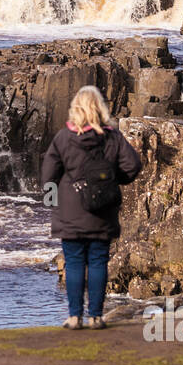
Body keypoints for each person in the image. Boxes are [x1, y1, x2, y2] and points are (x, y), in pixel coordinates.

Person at [41, 86, 143, 330]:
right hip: (103, 209)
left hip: (70, 210)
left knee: (74, 263)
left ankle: (75, 317)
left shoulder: (63, 138)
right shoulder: (113, 137)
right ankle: (96, 317)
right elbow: (133, 166)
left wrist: (52, 204)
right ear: (100, 109)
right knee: (98, 262)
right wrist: (111, 182)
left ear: (76, 109)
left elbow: (48, 177)